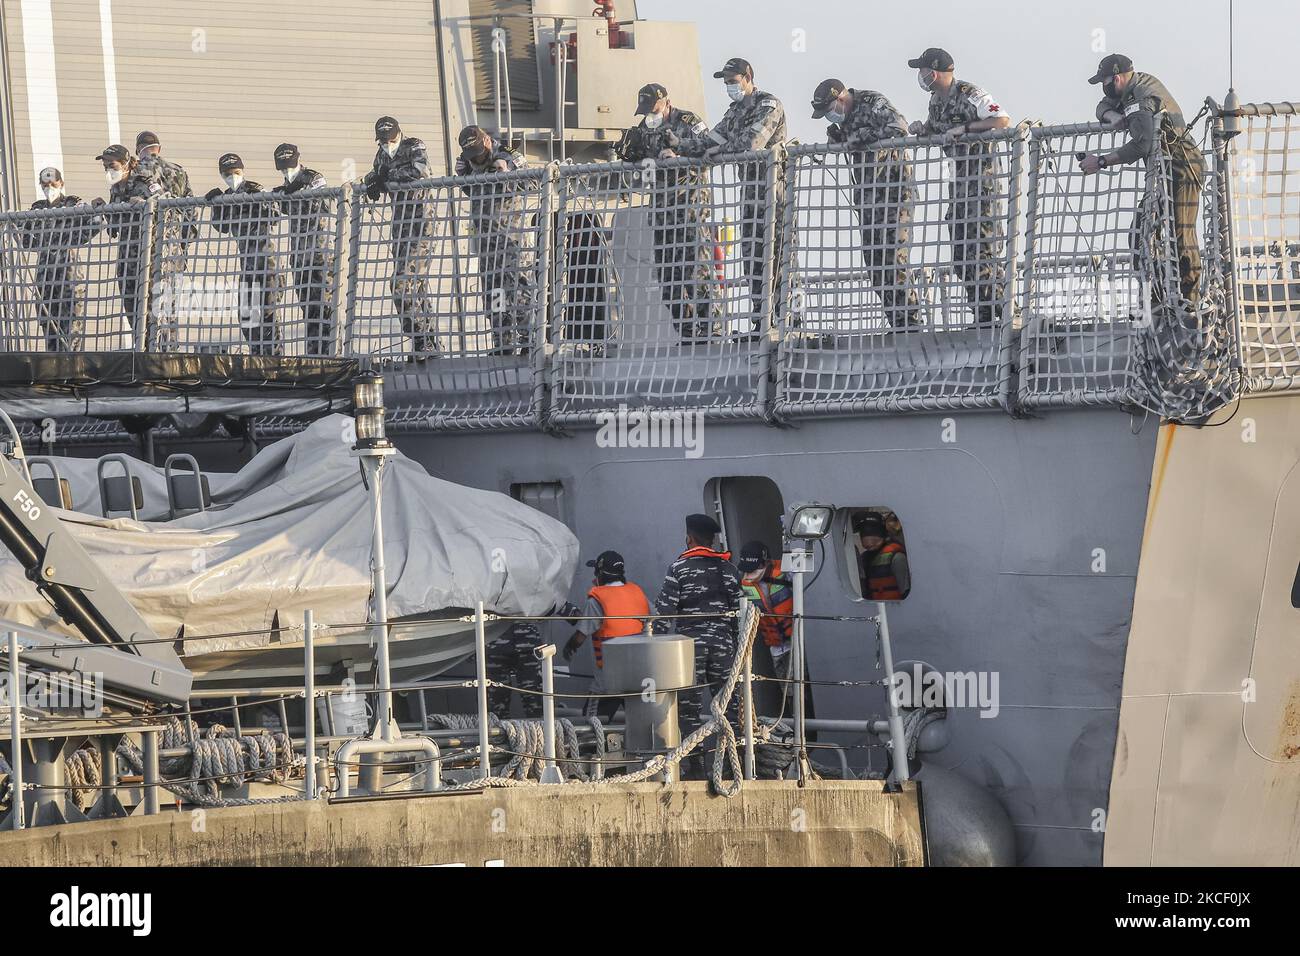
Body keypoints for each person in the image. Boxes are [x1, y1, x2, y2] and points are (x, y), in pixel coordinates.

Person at [1080, 53, 1204, 304]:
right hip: (1161, 175)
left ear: (1116, 78)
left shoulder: (1142, 96)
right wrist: (1112, 116)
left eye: (1104, 83)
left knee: (1181, 235)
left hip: (1183, 169)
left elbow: (1142, 145)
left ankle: (1191, 301)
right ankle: (1156, 299)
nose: (1104, 89)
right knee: (1140, 234)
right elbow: (1102, 106)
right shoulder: (1133, 87)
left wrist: (1100, 161)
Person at [678, 58, 787, 336]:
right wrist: (679, 146)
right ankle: (760, 321)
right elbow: (711, 140)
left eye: (733, 81)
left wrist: (721, 151)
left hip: (774, 191)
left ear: (748, 77)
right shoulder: (734, 112)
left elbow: (753, 142)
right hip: (750, 193)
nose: (729, 87)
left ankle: (785, 321)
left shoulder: (768, 105)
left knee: (778, 255)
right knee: (752, 257)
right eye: (726, 82)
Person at [906, 48, 1011, 328]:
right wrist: (922, 129)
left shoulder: (969, 93)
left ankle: (1003, 312)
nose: (921, 77)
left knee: (982, 250)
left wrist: (965, 129)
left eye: (924, 71)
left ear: (936, 72)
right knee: (962, 254)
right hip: (958, 183)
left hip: (982, 182)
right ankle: (982, 314)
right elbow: (936, 128)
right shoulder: (935, 103)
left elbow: (1001, 120)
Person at [616, 82, 720, 343]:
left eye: (653, 109)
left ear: (666, 103)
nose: (649, 115)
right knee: (668, 276)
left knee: (697, 270)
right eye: (645, 111)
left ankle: (711, 329)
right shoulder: (644, 128)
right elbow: (637, 160)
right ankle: (685, 332)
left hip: (689, 207)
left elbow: (708, 147)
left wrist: (679, 150)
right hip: (662, 209)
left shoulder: (688, 121)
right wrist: (628, 154)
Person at [812, 78, 921, 328]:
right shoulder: (846, 119)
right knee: (875, 264)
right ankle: (896, 322)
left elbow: (899, 127)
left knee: (894, 260)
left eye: (829, 110)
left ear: (840, 99)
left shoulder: (871, 102)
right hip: (868, 200)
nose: (831, 116)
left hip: (894, 195)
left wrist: (861, 137)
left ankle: (911, 323)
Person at [653, 513, 744, 771]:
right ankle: (733, 766)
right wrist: (739, 649)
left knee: (688, 710)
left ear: (689, 538)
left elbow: (664, 613)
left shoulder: (678, 569)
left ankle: (694, 767)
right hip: (723, 646)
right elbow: (741, 613)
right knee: (729, 706)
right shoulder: (729, 569)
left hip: (689, 648)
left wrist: (656, 651)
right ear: (713, 540)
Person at [455, 125, 535, 355]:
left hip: (512, 239)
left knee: (519, 292)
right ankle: (503, 343)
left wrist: (505, 169)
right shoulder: (466, 163)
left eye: (480, 152)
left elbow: (531, 182)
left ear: (487, 141)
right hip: (487, 242)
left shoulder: (509, 154)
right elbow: (469, 188)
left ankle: (529, 340)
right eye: (473, 155)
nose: (478, 158)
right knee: (494, 295)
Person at [363, 115, 437, 359]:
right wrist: (372, 182)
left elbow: (420, 170)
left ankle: (420, 337)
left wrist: (388, 177)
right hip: (400, 225)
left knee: (401, 283)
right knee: (416, 285)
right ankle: (427, 342)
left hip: (419, 222)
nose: (386, 144)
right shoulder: (382, 153)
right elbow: (376, 173)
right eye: (382, 141)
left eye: (389, 139)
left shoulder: (413, 145)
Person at [205, 153, 283, 356]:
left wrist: (254, 202)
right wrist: (217, 202)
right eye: (228, 174)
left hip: (267, 264)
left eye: (237, 172)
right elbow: (219, 226)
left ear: (243, 171)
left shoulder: (254, 190)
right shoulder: (227, 198)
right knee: (247, 315)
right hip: (248, 266)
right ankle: (257, 357)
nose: (233, 177)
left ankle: (273, 360)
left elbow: (275, 215)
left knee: (268, 316)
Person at [562, 550, 651, 721]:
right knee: (640, 723)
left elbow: (581, 635)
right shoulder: (638, 594)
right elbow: (654, 619)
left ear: (600, 574)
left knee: (591, 724)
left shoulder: (596, 600)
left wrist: (569, 648)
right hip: (638, 676)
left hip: (607, 682)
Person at [21, 168, 98, 351]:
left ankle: (70, 372)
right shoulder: (37, 208)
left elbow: (96, 222)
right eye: (45, 184)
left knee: (71, 325)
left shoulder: (72, 203)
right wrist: (44, 245)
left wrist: (70, 241)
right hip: (45, 275)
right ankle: (53, 370)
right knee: (49, 325)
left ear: (61, 183)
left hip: (69, 273)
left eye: (53, 183)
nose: (49, 187)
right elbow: (26, 239)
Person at [94, 143, 165, 337]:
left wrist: (147, 204)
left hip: (147, 253)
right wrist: (105, 209)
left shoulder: (144, 180)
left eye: (113, 166)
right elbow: (116, 227)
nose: (109, 170)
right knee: (130, 303)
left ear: (126, 164)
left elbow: (165, 203)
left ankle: (155, 347)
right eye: (106, 167)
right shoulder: (116, 188)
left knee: (151, 306)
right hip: (127, 257)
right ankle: (139, 344)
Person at [271, 144, 336, 354]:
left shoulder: (312, 178)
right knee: (308, 309)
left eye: (289, 166)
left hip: (320, 255)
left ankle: (328, 354)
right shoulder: (287, 184)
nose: (287, 171)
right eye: (282, 169)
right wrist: (280, 196)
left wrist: (294, 191)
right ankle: (314, 353)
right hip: (299, 257)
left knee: (324, 307)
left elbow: (318, 202)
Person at [737, 540, 793, 679]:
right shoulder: (744, 587)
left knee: (807, 689)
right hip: (776, 650)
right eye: (746, 570)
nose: (748, 575)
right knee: (789, 692)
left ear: (765, 562)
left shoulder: (787, 573)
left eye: (752, 569)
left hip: (797, 644)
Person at [854, 512, 911, 601]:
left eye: (871, 530)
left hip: (896, 609)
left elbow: (906, 592)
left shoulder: (896, 558)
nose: (867, 534)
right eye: (864, 531)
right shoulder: (864, 559)